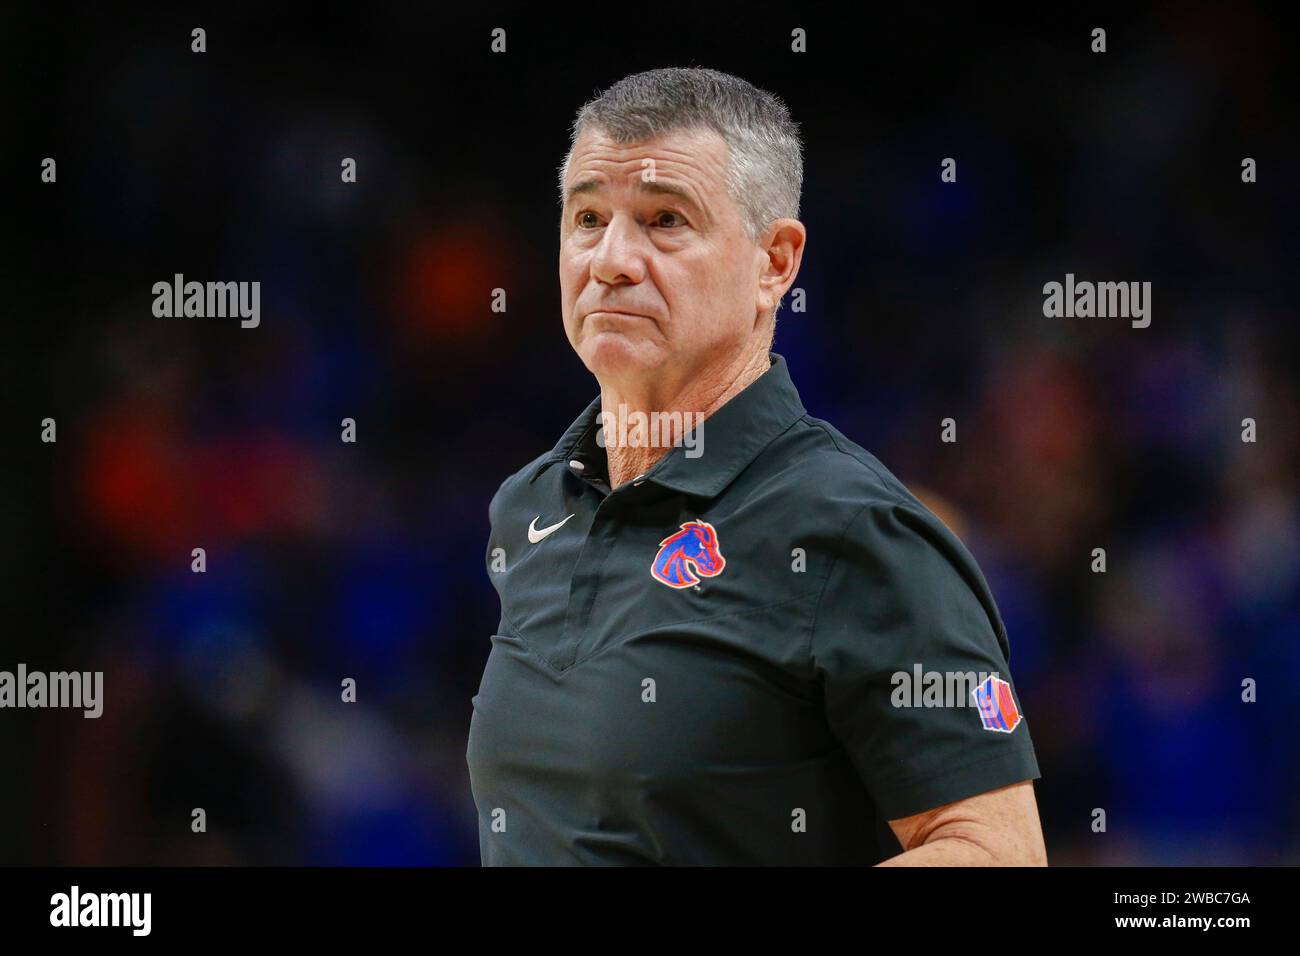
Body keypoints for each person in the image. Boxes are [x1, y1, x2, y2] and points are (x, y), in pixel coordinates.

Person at [466, 67, 1046, 865]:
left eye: (665, 220)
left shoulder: (852, 527)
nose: (610, 260)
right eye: (589, 217)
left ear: (775, 261)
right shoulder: (530, 505)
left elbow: (997, 853)